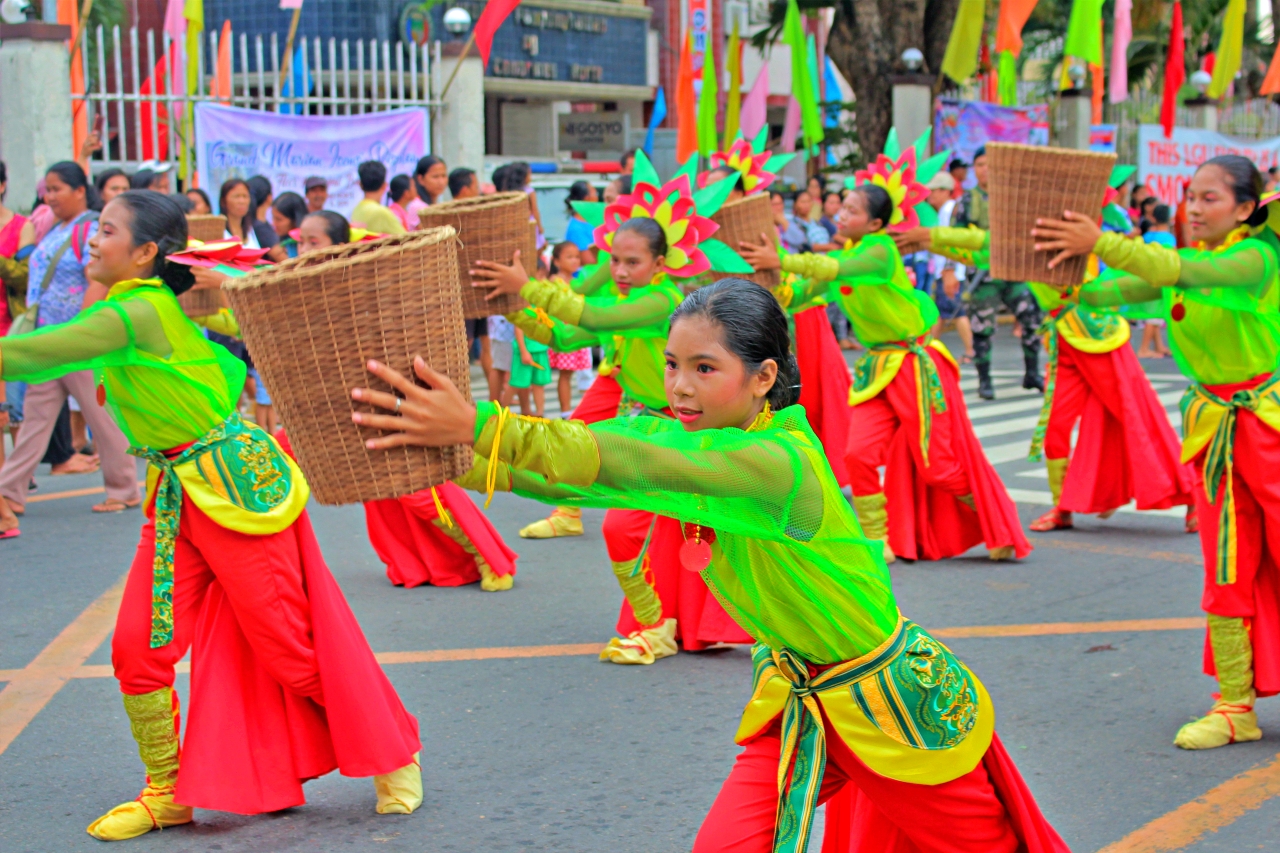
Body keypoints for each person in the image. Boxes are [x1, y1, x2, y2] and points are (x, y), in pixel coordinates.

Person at [352, 277, 1069, 853]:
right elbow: (584, 469)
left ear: (762, 377)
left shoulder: (777, 460)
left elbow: (629, 459)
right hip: (797, 697)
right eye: (671, 365)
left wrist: (482, 424)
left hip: (889, 706)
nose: (680, 386)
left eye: (703, 368)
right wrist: (443, 445)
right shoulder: (702, 439)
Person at [0, 190, 423, 828]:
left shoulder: (139, 309)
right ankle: (167, 791)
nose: (94, 237)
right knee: (137, 647)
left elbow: (41, 351)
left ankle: (394, 752)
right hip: (173, 492)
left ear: (145, 253)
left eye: (107, 230)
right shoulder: (130, 302)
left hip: (231, 489)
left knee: (288, 646)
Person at [1032, 154, 1280, 752]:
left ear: (1246, 209)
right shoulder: (1188, 261)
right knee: (1228, 568)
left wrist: (1104, 241)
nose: (1194, 207)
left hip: (1270, 425)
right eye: (1190, 196)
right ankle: (1234, 705)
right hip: (1215, 429)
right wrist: (1060, 273)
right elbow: (1112, 289)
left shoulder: (1259, 259)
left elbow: (1177, 270)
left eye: (1210, 198)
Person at [476, 216, 755, 663]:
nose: (620, 271)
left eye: (632, 262)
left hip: (676, 432)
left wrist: (527, 286)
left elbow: (595, 314)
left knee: (623, 528)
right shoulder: (632, 298)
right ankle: (663, 624)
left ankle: (655, 626)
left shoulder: (662, 301)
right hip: (642, 422)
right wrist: (509, 305)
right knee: (652, 530)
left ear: (660, 263)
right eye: (614, 261)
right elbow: (564, 333)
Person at [741, 184, 1030, 564]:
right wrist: (769, 276)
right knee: (857, 455)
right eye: (842, 207)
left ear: (876, 223)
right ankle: (878, 541)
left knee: (938, 468)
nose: (842, 215)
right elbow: (801, 293)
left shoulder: (879, 251)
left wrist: (781, 257)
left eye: (853, 210)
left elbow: (835, 268)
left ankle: (997, 521)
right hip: (877, 367)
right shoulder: (847, 252)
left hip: (914, 364)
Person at [287, 208, 516, 592]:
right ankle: (425, 562)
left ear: (338, 245)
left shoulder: (362, 278)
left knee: (416, 491)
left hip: (383, 396)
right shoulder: (298, 285)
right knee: (384, 494)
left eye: (314, 242)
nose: (302, 249)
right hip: (344, 403)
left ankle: (486, 556)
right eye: (300, 241)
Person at [0, 162, 140, 539]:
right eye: (47, 189)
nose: (50, 196)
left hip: (77, 341)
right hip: (50, 339)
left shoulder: (93, 230)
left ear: (80, 190)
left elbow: (96, 277)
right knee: (34, 417)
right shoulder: (52, 227)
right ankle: (9, 492)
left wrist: (84, 328)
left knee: (101, 417)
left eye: (58, 188)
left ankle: (124, 489)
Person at [952, 145, 1044, 399]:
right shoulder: (968, 201)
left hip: (1014, 272)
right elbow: (953, 238)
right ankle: (984, 380)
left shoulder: (1012, 198)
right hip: (984, 275)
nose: (985, 170)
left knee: (1033, 319)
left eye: (990, 165)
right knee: (982, 328)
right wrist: (952, 269)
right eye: (980, 165)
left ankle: (1032, 373)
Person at [923, 172, 975, 362]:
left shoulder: (949, 210)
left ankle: (970, 350)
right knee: (941, 312)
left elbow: (950, 242)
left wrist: (947, 271)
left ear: (945, 191)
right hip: (947, 270)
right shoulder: (947, 210)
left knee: (957, 312)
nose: (930, 195)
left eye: (934, 191)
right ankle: (927, 348)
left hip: (950, 272)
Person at [546, 241, 592, 414]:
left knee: (578, 372)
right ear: (556, 261)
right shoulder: (554, 281)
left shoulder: (578, 281)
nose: (575, 261)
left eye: (577, 257)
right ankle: (565, 411)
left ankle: (580, 410)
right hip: (564, 330)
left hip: (578, 329)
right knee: (565, 373)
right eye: (569, 257)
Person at [1137, 204, 1175, 358]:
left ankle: (1159, 346)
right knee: (1154, 315)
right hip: (1161, 278)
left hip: (1146, 276)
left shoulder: (1147, 237)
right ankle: (1144, 348)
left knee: (1155, 315)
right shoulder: (1168, 238)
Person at [219, 178, 277, 250]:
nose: (242, 201)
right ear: (223, 201)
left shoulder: (250, 229)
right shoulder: (218, 230)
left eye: (245, 196)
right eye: (236, 196)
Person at [352, 161, 406, 236]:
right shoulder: (381, 212)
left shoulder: (357, 209)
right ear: (384, 185)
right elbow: (407, 239)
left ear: (360, 185)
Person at [269, 191, 309, 260]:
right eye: (273, 217)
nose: (273, 223)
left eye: (279, 219)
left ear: (295, 220)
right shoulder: (281, 243)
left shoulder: (306, 247)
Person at [563, 181, 597, 250]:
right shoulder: (576, 229)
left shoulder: (594, 221)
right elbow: (587, 258)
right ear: (587, 198)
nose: (597, 198)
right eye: (595, 193)